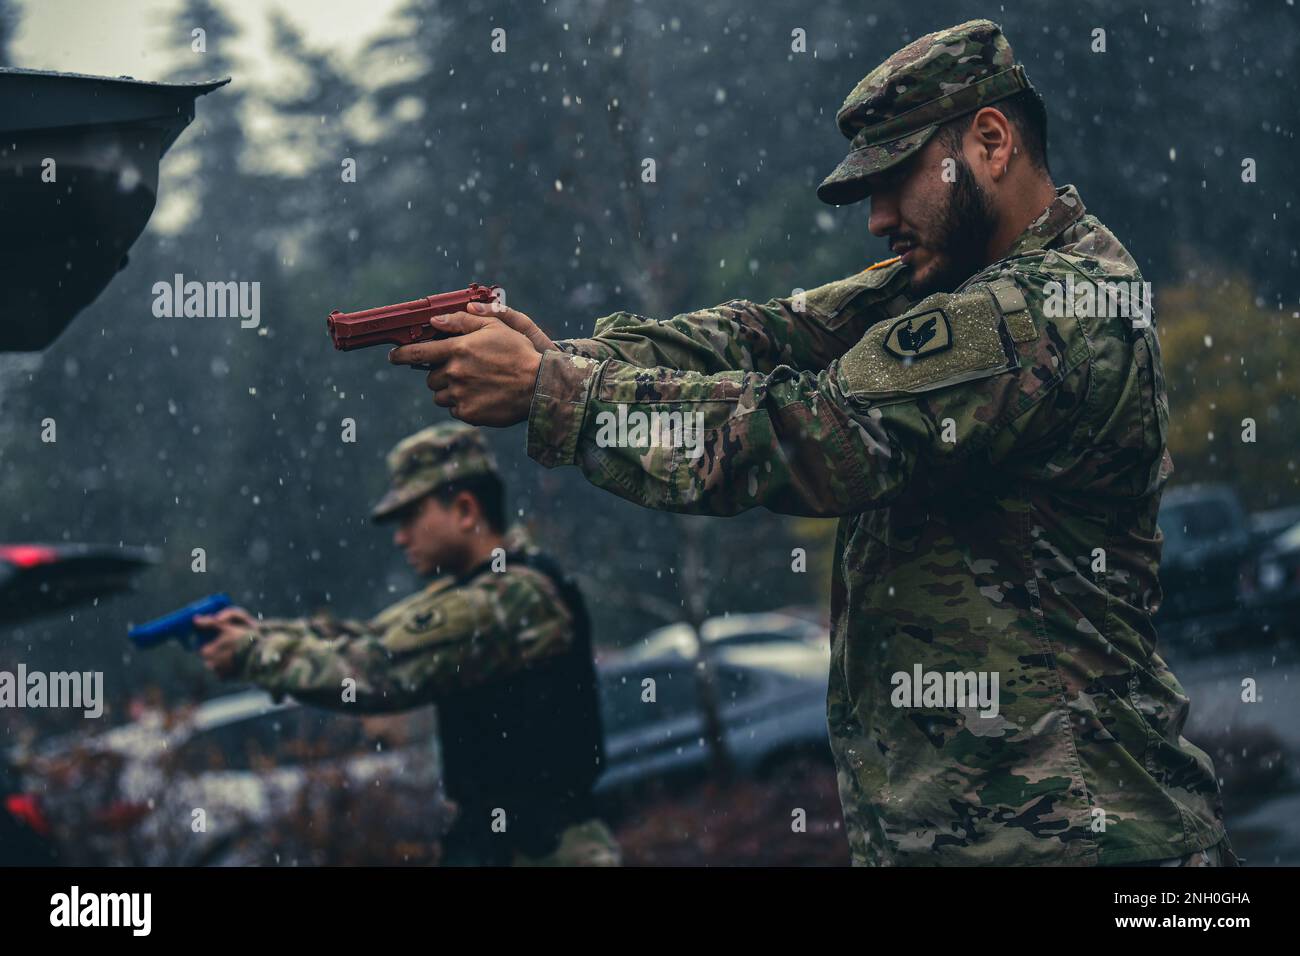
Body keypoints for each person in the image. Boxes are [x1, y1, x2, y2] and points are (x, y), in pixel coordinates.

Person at [388, 19, 1236, 867]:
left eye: (898, 178)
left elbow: (808, 440)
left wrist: (555, 396)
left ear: (991, 140)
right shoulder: (952, 282)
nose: (877, 218)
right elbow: (769, 336)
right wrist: (561, 357)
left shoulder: (1040, 311)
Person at [197, 423, 619, 866]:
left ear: (464, 510)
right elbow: (370, 638)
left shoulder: (509, 598)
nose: (400, 537)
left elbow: (380, 669)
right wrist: (260, 635)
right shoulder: (482, 590)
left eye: (411, 517)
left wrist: (253, 653)